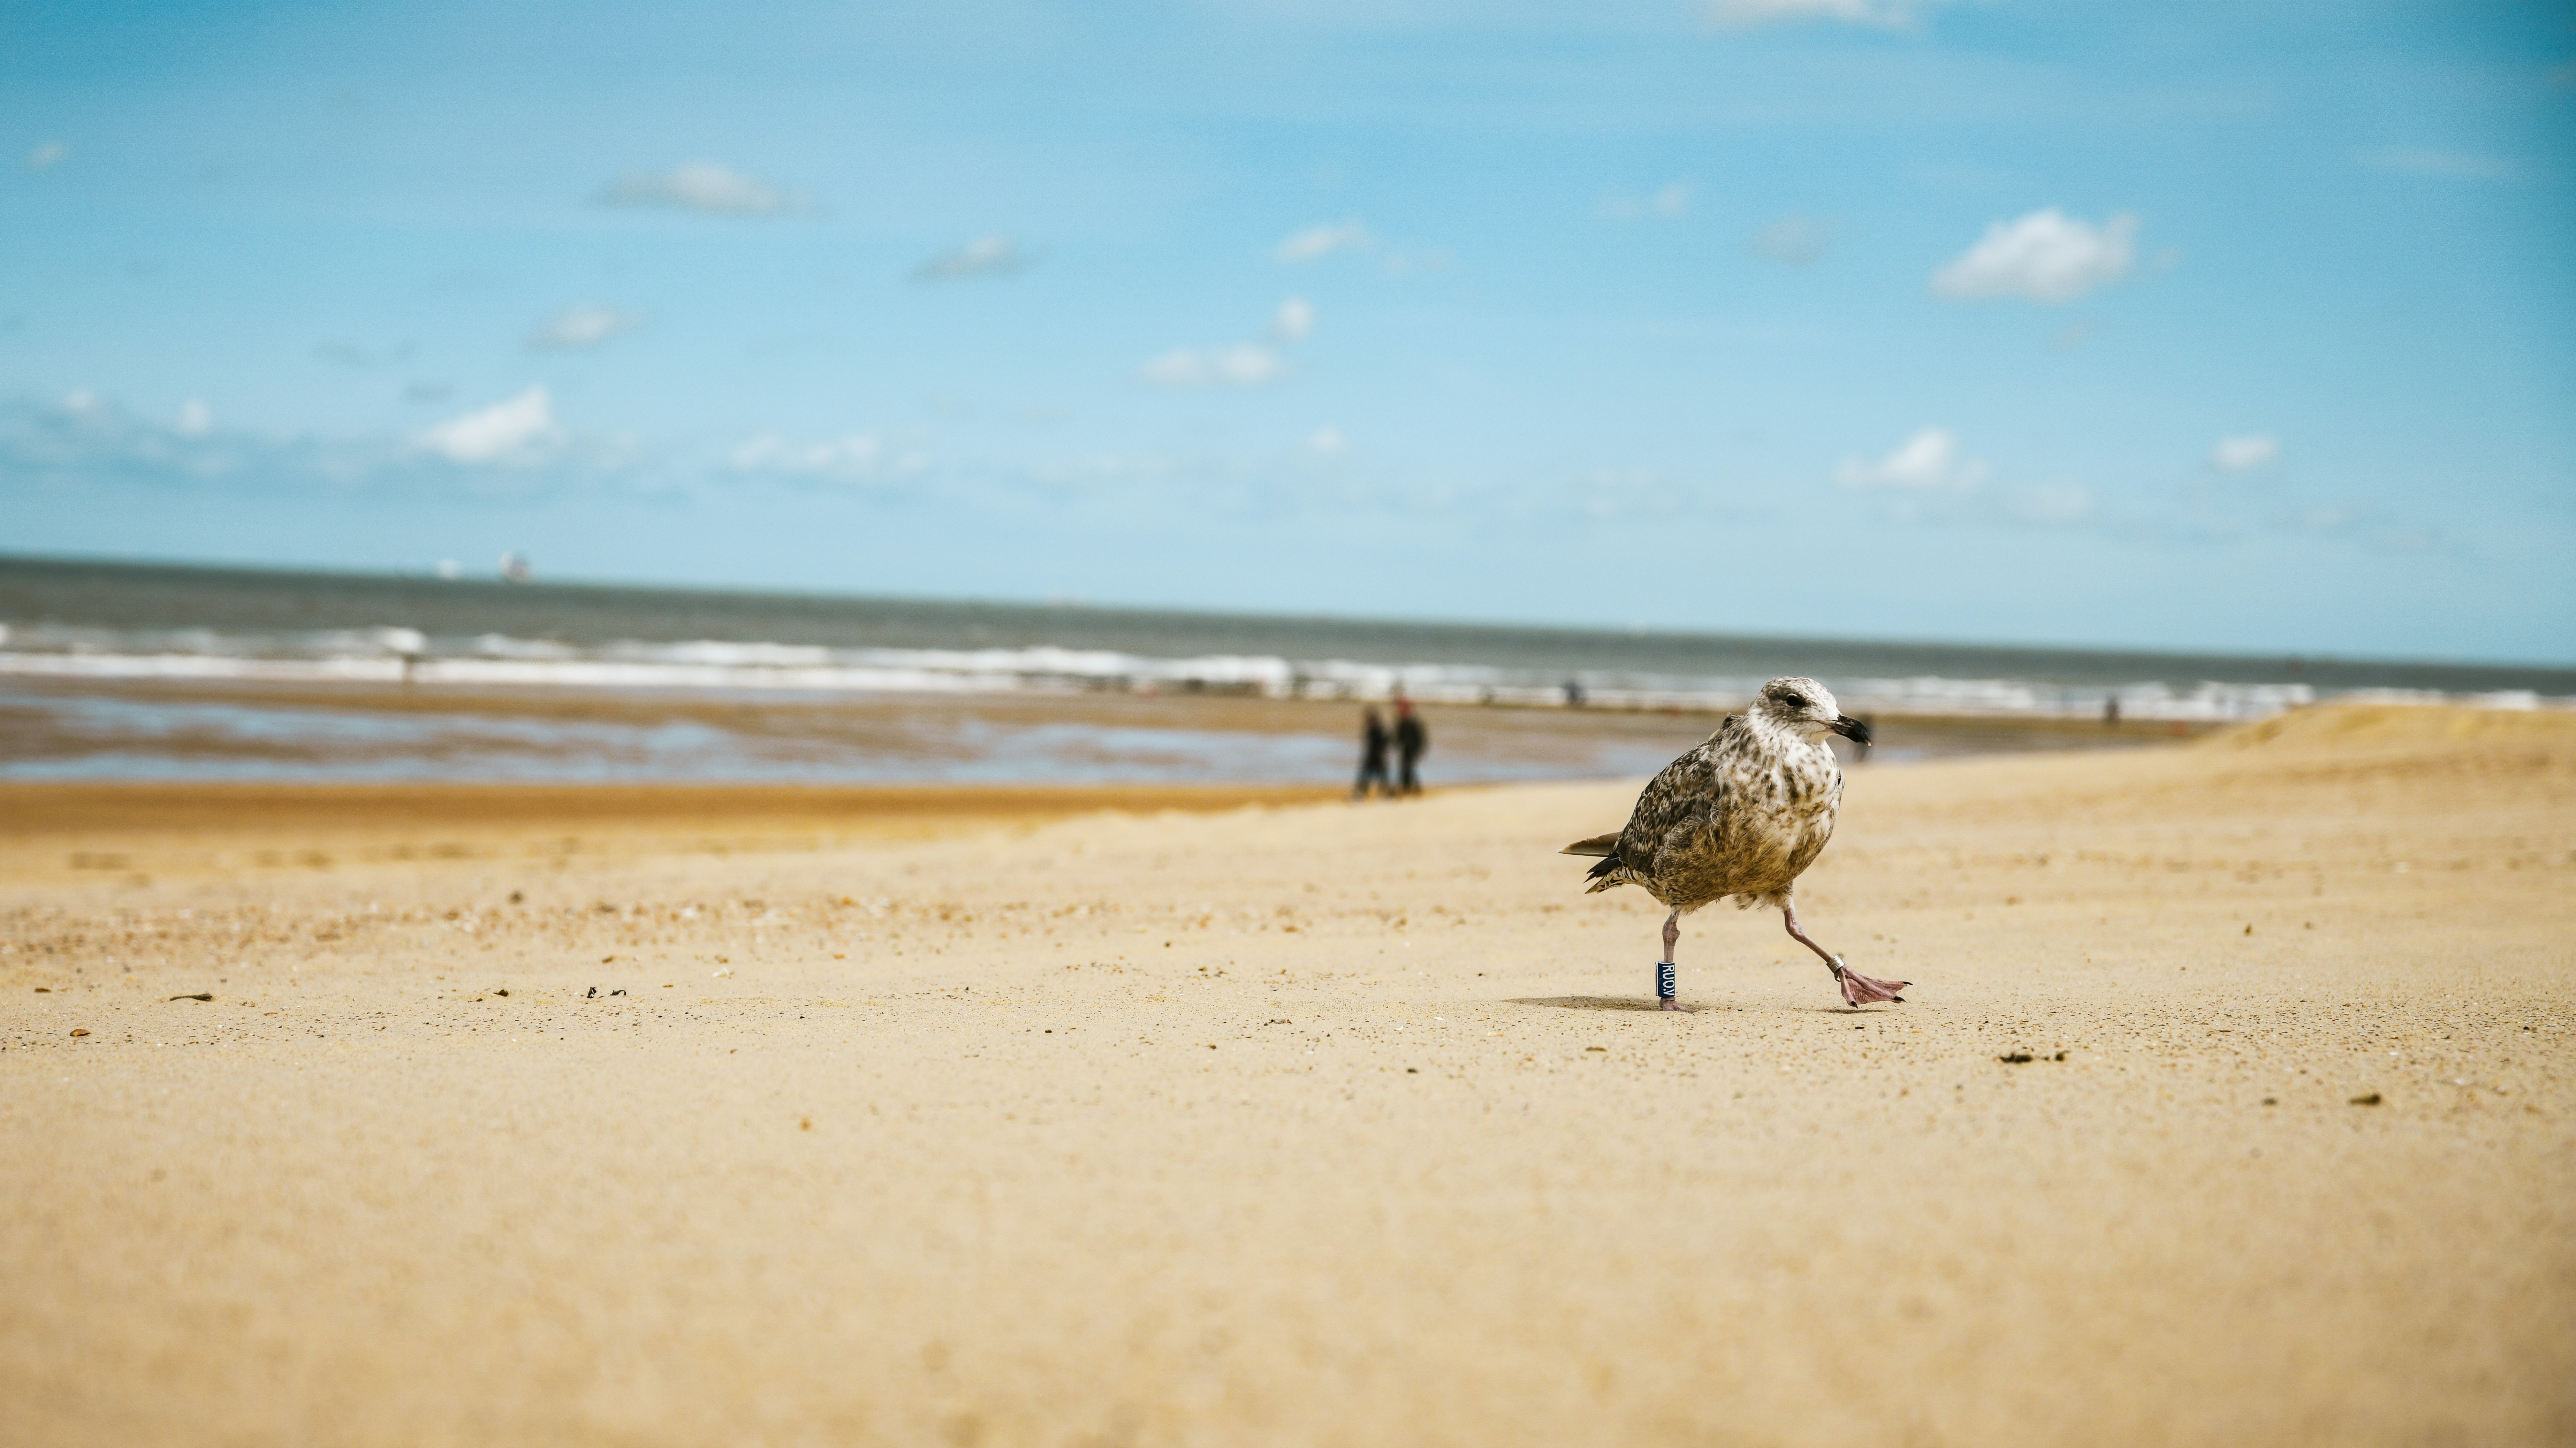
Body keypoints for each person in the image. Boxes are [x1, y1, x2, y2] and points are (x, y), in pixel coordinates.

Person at [1353, 706, 1392, 800]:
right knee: (1372, 777)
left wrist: (1381, 753)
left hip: (1376, 757)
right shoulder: (1373, 729)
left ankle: (1385, 795)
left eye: (1367, 719)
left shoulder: (1377, 730)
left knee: (1370, 776)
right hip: (1374, 756)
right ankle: (1385, 795)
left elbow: (1384, 742)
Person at [1393, 698, 1428, 797]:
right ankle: (1408, 789)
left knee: (1409, 768)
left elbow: (1421, 738)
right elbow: (1398, 736)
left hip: (1413, 749)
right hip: (1405, 748)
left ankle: (1413, 789)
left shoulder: (1414, 722)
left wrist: (1420, 750)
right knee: (1406, 768)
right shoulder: (1402, 721)